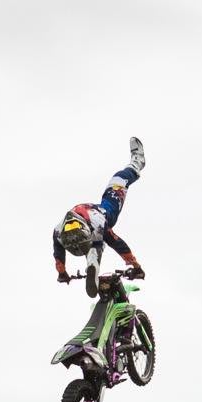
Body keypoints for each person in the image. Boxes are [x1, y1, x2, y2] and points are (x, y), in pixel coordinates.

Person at [54, 140, 149, 359]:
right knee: (99, 241)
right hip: (92, 225)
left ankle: (137, 164)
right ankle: (93, 263)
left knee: (120, 180)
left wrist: (62, 273)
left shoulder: (65, 231)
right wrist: (135, 265)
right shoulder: (62, 232)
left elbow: (58, 256)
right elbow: (119, 244)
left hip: (101, 214)